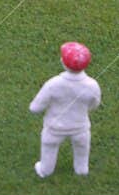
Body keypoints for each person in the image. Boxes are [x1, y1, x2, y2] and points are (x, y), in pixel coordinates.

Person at [30, 42, 101, 178]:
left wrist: (35, 107)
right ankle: (81, 170)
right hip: (80, 127)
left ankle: (45, 170)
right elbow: (94, 104)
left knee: (49, 147)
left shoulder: (53, 84)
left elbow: (36, 107)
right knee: (82, 148)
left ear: (63, 62)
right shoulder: (92, 85)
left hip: (54, 127)